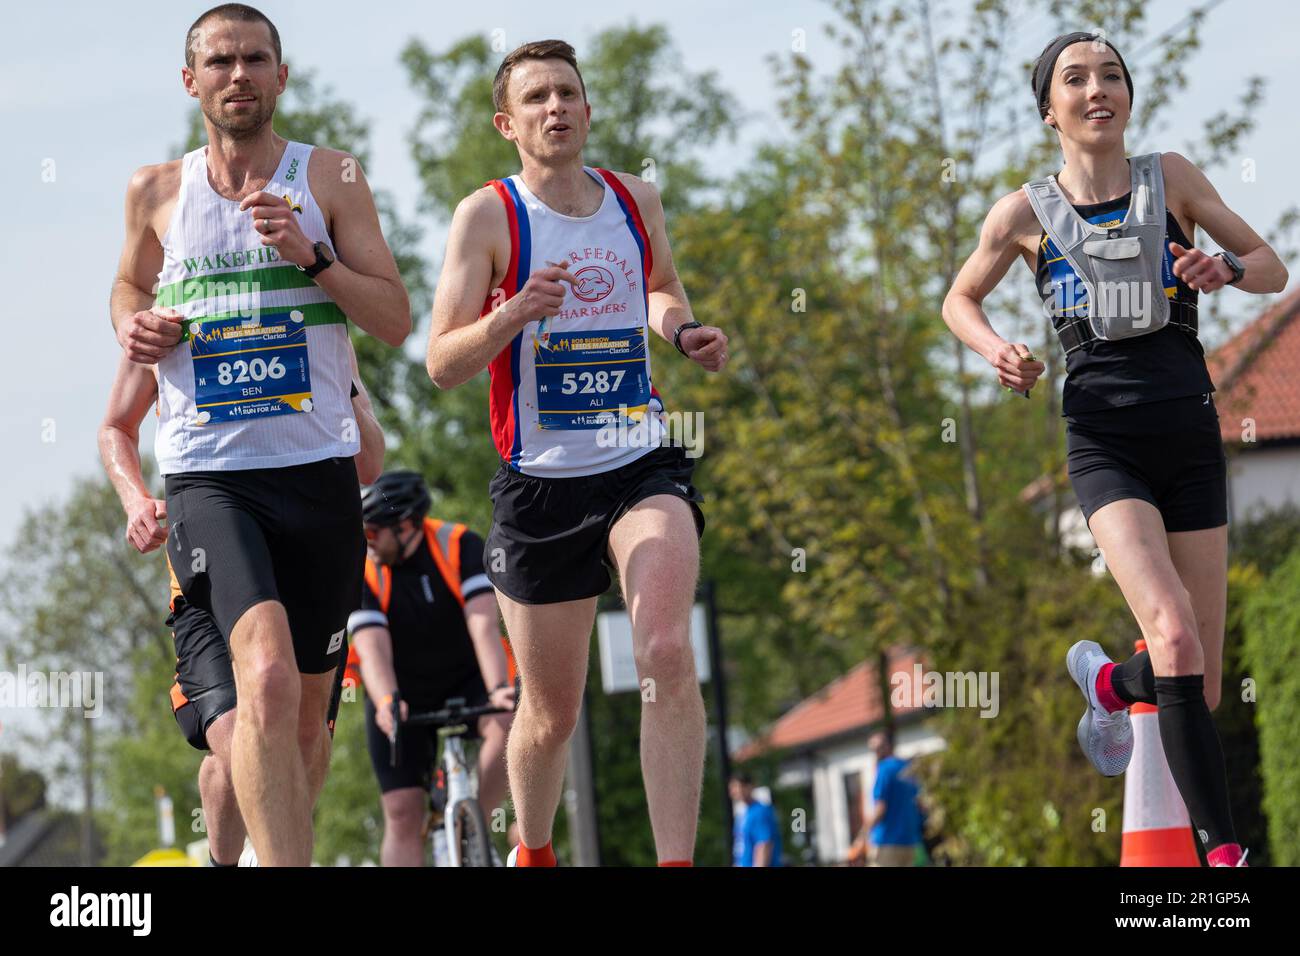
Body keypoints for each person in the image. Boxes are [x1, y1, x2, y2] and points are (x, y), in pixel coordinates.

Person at [942, 32, 1286, 868]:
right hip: (1104, 443)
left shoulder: (1173, 177)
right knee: (1171, 635)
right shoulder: (1022, 214)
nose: (1098, 89)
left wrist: (1222, 270)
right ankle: (1225, 861)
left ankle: (1108, 684)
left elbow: (1271, 266)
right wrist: (997, 351)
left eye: (1111, 76)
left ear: (1127, 96)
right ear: (1048, 108)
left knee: (1196, 684)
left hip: (1193, 435)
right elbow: (958, 297)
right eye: (1076, 79)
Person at [108, 3, 410, 865]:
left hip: (319, 472)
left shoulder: (333, 180)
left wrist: (312, 256)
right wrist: (136, 327)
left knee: (308, 729)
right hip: (210, 476)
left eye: (255, 60)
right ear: (191, 79)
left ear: (282, 75)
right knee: (265, 680)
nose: (238, 75)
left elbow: (393, 320)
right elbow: (126, 291)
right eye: (220, 61)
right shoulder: (155, 190)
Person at [426, 39, 728, 867]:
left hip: (639, 464)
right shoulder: (488, 216)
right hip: (540, 485)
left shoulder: (634, 199)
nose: (555, 107)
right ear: (508, 124)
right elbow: (442, 361)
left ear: (589, 112)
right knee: (551, 711)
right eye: (537, 99)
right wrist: (513, 313)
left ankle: (676, 861)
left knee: (665, 651)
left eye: (568, 93)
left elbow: (660, 284)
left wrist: (682, 329)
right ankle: (534, 849)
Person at [98, 341, 384, 866]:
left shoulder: (314, 313)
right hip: (209, 572)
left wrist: (340, 384)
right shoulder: (172, 312)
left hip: (308, 558)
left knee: (297, 744)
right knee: (238, 738)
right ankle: (231, 860)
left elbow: (369, 463)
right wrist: (135, 498)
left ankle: (267, 848)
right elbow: (116, 425)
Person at [346, 471, 516, 867]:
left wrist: (497, 689)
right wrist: (388, 699)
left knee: (507, 720)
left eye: (373, 533)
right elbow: (371, 650)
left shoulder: (459, 545)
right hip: (401, 690)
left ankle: (471, 824)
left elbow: (483, 625)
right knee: (403, 814)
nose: (367, 543)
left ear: (405, 526)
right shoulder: (362, 569)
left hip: (467, 677)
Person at [862, 733, 921, 867]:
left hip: (887, 842)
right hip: (909, 841)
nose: (875, 752)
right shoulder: (907, 767)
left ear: (888, 746)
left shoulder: (884, 769)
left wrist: (864, 833)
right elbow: (919, 803)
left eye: (877, 748)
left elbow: (880, 808)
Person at [729, 773, 782, 868]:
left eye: (740, 786)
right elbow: (740, 847)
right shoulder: (742, 815)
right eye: (733, 787)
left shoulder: (760, 811)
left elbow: (764, 844)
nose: (736, 791)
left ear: (750, 787)